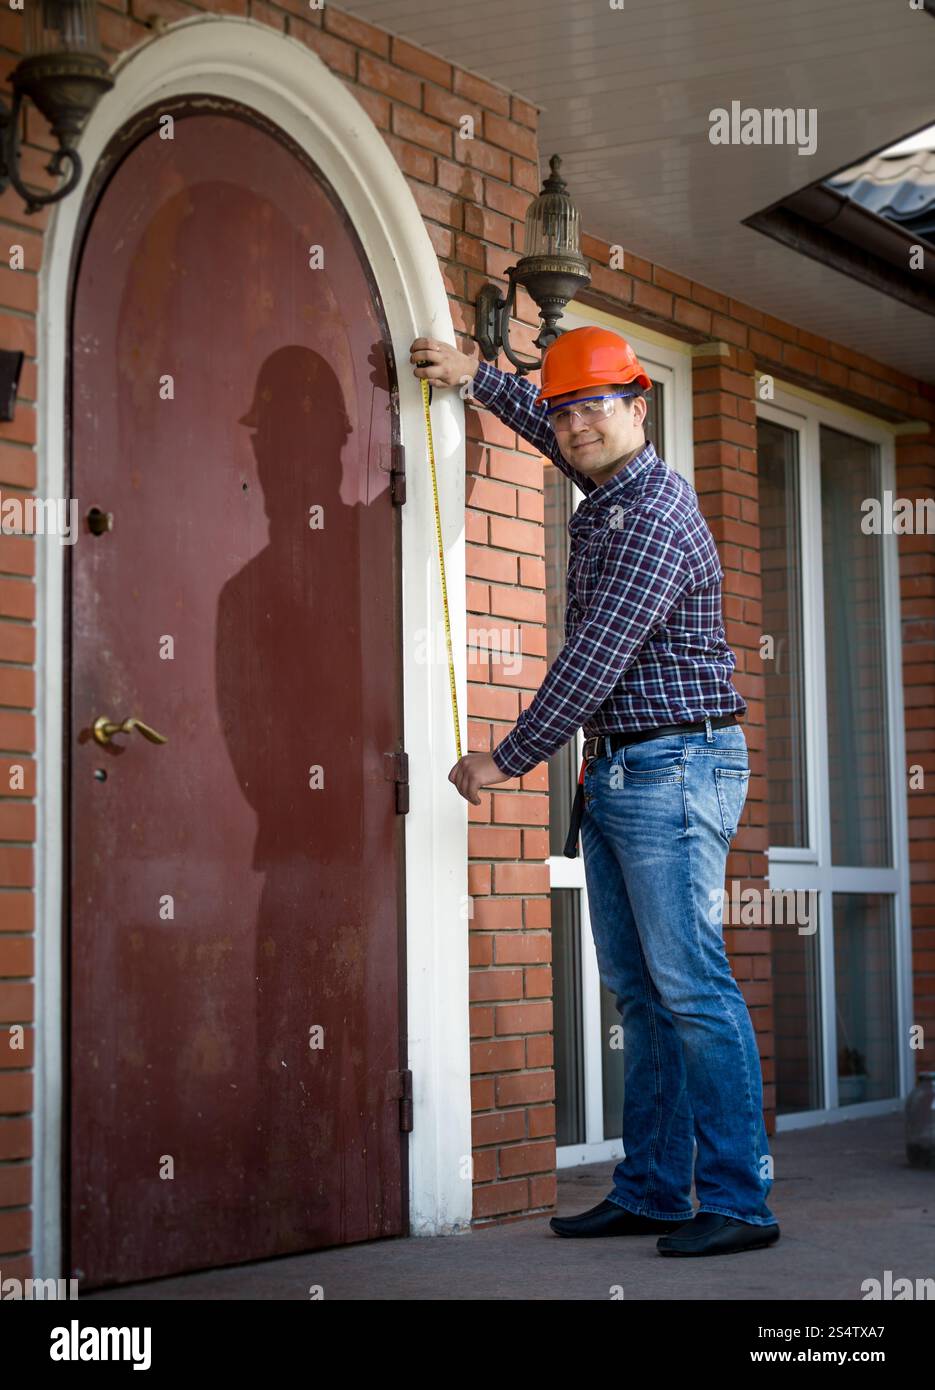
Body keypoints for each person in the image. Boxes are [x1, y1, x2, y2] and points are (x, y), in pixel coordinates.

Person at [410, 326, 779, 1257]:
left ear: (638, 406)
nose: (576, 424)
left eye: (596, 406)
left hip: (676, 766)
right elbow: (549, 423)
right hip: (625, 768)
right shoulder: (611, 485)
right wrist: (476, 377)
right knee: (643, 996)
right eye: (567, 408)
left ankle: (738, 1203)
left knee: (691, 988)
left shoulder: (652, 512)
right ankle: (654, 1191)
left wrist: (506, 757)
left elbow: (595, 658)